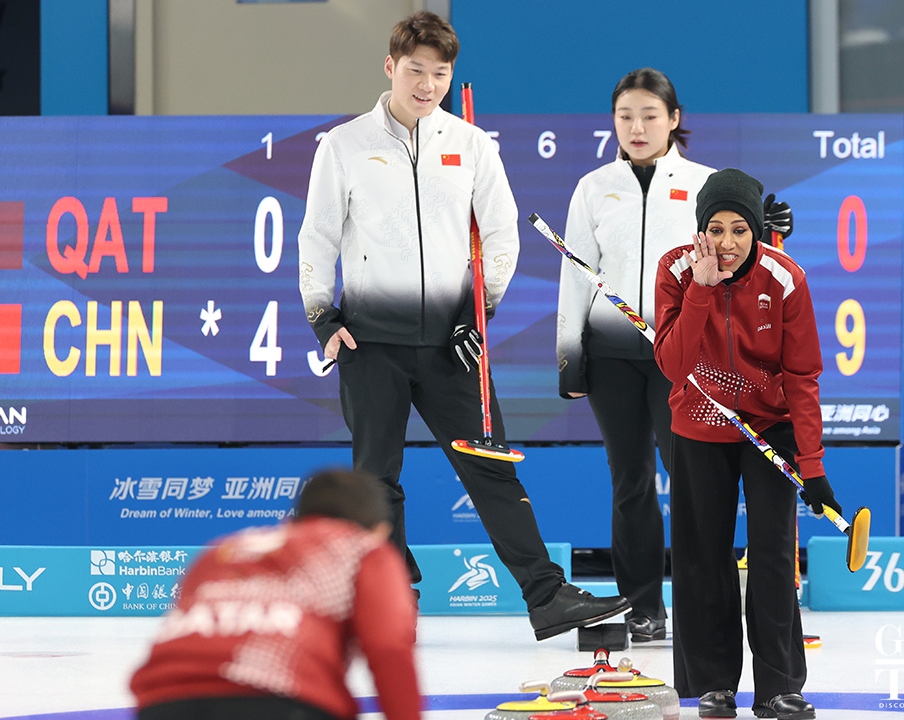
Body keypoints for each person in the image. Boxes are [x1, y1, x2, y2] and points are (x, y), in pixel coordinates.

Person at [296, 10, 629, 641]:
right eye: (415, 70)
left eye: (440, 73)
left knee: (491, 469)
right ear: (390, 67)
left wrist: (482, 308)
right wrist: (322, 316)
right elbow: (317, 238)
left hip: (454, 345)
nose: (427, 85)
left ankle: (547, 596)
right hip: (371, 344)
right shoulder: (343, 146)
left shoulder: (472, 145)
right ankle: (392, 598)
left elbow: (502, 236)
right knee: (375, 480)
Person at [653, 168, 837, 720]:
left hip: (768, 428)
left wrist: (812, 465)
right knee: (702, 555)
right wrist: (702, 290)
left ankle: (779, 686)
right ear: (700, 231)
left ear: (756, 231)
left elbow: (803, 375)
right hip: (698, 423)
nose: (727, 243)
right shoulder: (676, 270)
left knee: (773, 554)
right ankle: (713, 684)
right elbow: (673, 365)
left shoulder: (785, 278)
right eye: (716, 229)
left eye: (739, 229)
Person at [556, 67, 714, 645]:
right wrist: (570, 355)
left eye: (650, 115)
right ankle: (644, 608)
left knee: (691, 479)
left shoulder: (705, 183)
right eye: (626, 116)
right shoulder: (593, 187)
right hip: (612, 357)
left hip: (681, 356)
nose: (638, 127)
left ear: (674, 119)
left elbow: (731, 266)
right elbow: (576, 274)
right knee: (630, 482)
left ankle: (702, 600)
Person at [130, 468, 420, 720]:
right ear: (379, 530)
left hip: (163, 701)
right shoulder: (361, 548)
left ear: (292, 520)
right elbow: (389, 648)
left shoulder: (221, 551)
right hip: (280, 697)